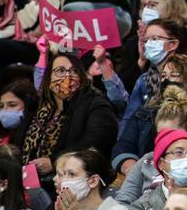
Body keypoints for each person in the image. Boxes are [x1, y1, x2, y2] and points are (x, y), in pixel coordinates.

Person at [19, 51, 120, 187]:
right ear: (48, 78)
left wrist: (54, 161)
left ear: (82, 77)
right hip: (28, 181)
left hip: (73, 183)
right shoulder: (38, 106)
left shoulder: (96, 104)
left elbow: (96, 141)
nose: (67, 76)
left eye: (73, 71)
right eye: (60, 71)